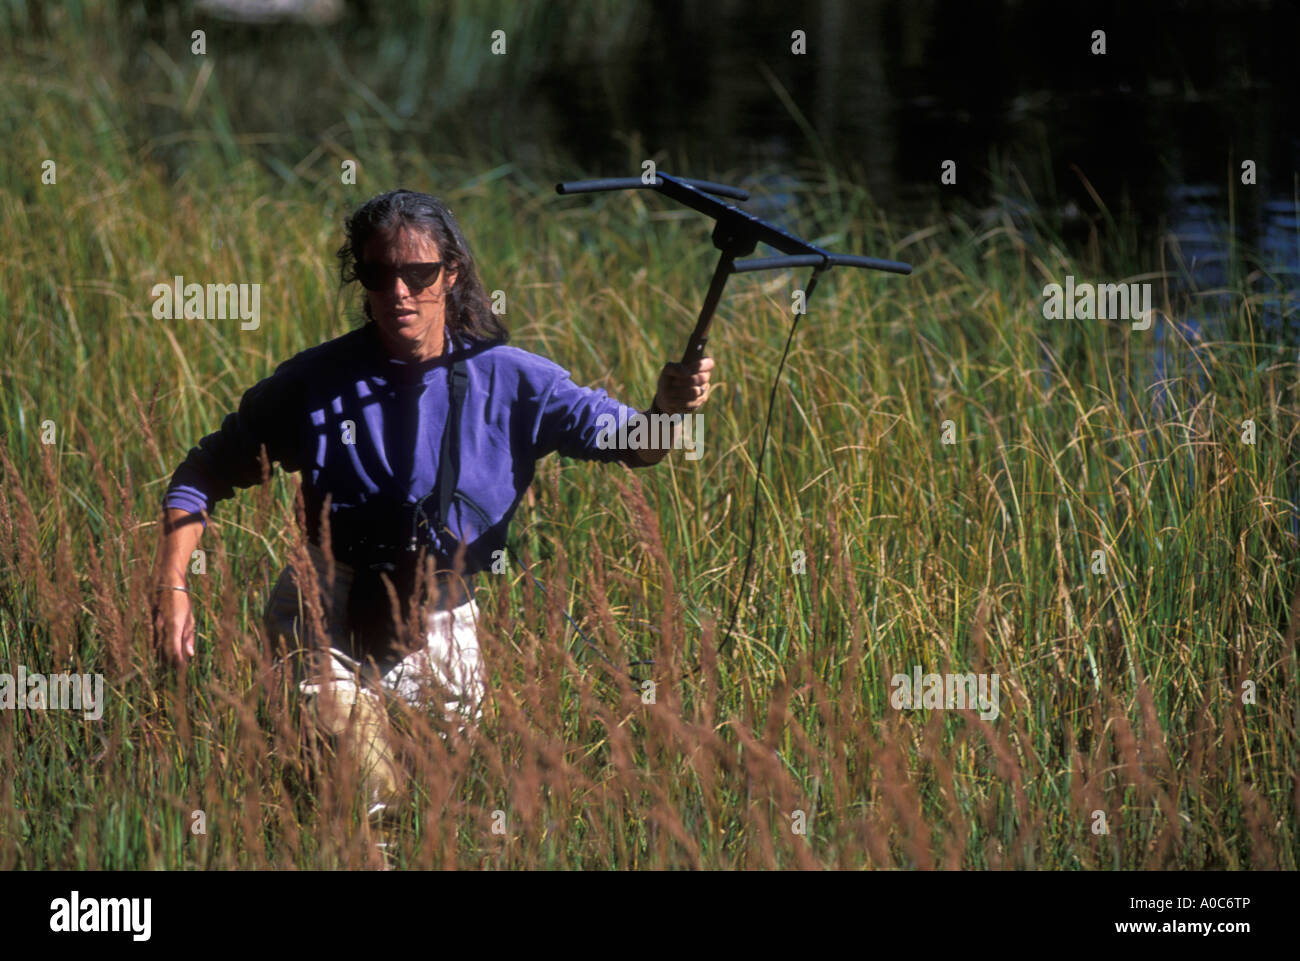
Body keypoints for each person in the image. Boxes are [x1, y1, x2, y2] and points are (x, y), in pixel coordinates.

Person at [150, 188, 714, 845]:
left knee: (429, 818)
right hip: (328, 608)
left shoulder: (514, 380)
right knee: (364, 796)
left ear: (451, 274)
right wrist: (173, 583)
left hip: (442, 619)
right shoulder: (315, 383)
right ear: (360, 277)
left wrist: (671, 408)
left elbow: (639, 444)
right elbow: (204, 472)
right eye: (378, 274)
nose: (399, 292)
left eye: (418, 275)